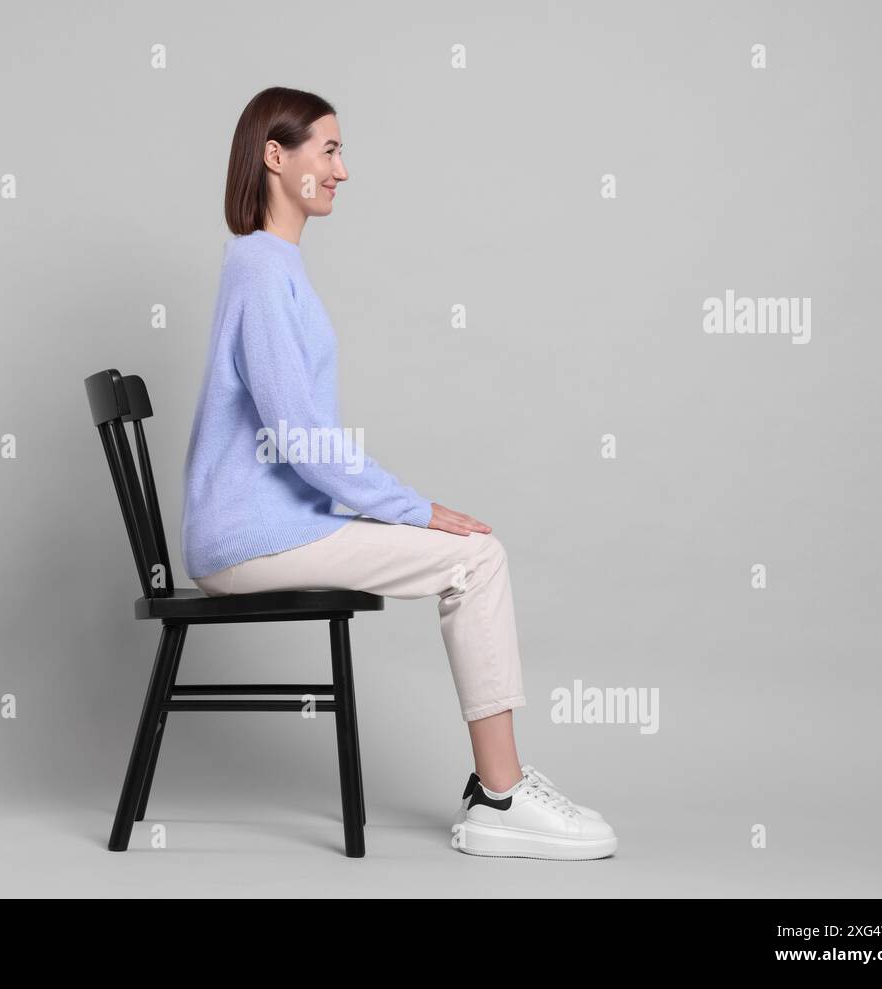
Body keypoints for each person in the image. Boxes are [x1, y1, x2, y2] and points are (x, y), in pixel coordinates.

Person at [180, 86, 616, 860]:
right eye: (330, 149)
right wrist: (412, 509)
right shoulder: (258, 267)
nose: (343, 170)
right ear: (276, 157)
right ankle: (502, 795)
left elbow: (302, 443)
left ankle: (499, 790)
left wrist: (395, 509)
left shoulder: (270, 264)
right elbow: (303, 440)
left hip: (271, 526)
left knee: (470, 552)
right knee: (476, 556)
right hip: (253, 537)